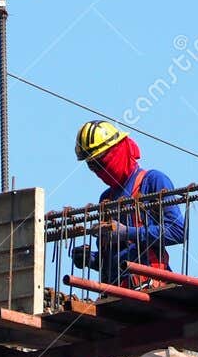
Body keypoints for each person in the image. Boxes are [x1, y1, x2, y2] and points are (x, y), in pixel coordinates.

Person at [71, 121, 185, 289]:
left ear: (118, 150)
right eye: (92, 165)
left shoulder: (152, 181)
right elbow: (114, 260)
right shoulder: (106, 199)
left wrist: (127, 233)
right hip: (116, 292)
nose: (99, 171)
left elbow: (178, 231)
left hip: (150, 287)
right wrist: (91, 259)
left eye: (101, 161)